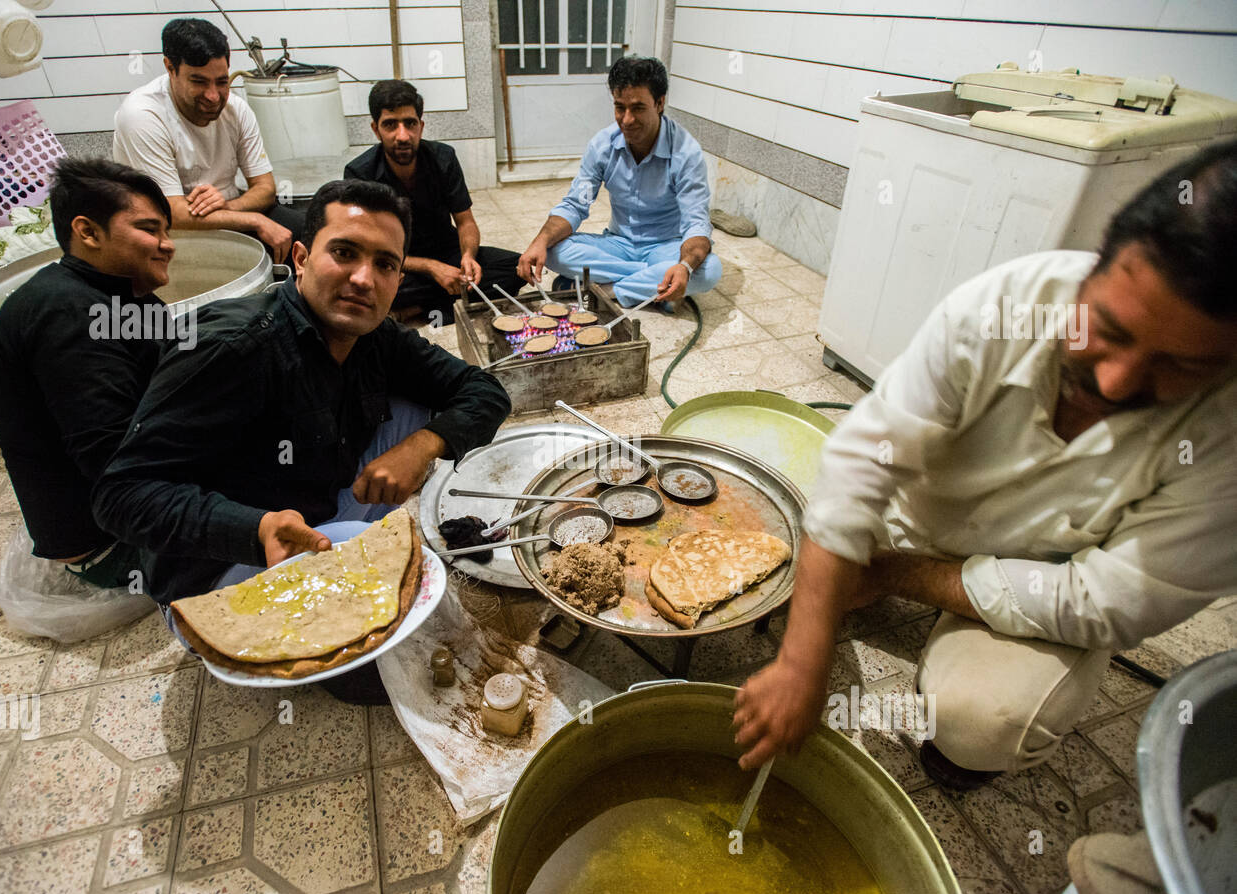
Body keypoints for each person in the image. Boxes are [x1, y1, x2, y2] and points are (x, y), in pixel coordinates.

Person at [732, 140, 1237, 789]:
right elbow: (863, 462)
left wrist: (902, 574)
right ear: (1098, 260)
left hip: (1050, 576)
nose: (1115, 381)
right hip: (922, 514)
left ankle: (953, 746)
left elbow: (1104, 601)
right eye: (1109, 328)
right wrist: (803, 663)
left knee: (982, 719)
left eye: (1180, 367)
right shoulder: (1004, 307)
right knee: (785, 538)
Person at [92, 179, 511, 701]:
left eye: (384, 264)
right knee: (382, 677)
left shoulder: (374, 335)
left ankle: (347, 533)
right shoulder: (231, 345)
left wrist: (423, 444)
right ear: (300, 256)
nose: (363, 279)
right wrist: (255, 527)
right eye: (344, 252)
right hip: (222, 562)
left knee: (424, 410)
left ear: (399, 277)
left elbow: (485, 391)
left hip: (311, 510)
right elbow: (121, 495)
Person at [0, 158, 179, 588]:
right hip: (108, 547)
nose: (167, 245)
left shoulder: (124, 297)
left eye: (167, 232)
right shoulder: (68, 315)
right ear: (88, 232)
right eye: (150, 230)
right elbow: (116, 464)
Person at [517, 56, 721, 310]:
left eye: (637, 108)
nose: (626, 120)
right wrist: (539, 242)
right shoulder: (602, 145)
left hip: (666, 246)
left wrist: (684, 265)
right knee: (553, 249)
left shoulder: (686, 152)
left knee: (709, 269)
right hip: (618, 244)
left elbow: (696, 223)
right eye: (619, 107)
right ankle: (654, 284)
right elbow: (575, 205)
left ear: (660, 103)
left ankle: (607, 290)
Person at [112, 17, 301, 264]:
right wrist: (254, 220)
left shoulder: (237, 109)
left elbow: (265, 189)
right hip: (168, 230)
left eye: (222, 82)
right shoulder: (142, 116)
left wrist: (228, 207)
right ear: (170, 68)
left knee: (312, 235)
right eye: (199, 81)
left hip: (230, 212)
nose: (213, 96)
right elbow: (174, 213)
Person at [344, 79, 521, 320]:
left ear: (421, 126)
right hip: (399, 261)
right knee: (366, 286)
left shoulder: (444, 158)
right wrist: (430, 268)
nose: (403, 135)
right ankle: (448, 302)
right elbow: (368, 247)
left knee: (517, 267)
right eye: (390, 125)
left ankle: (416, 309)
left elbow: (465, 221)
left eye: (410, 123)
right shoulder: (359, 174)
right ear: (376, 129)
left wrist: (468, 256)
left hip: (448, 252)